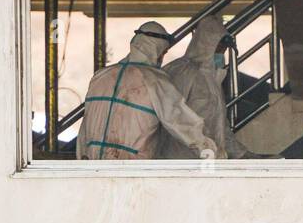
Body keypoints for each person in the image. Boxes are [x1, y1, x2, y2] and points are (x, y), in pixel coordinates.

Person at [76, 21, 218, 160]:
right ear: (157, 50)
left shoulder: (100, 76)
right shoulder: (154, 80)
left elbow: (84, 128)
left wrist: (81, 158)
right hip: (133, 171)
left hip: (93, 167)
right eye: (163, 52)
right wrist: (209, 149)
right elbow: (180, 120)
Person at [158, 15, 249, 159]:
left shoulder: (213, 80)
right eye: (218, 49)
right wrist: (205, 148)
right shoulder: (183, 72)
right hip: (179, 160)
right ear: (207, 44)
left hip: (206, 161)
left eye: (223, 50)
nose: (221, 54)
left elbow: (220, 129)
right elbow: (174, 118)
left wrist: (243, 154)